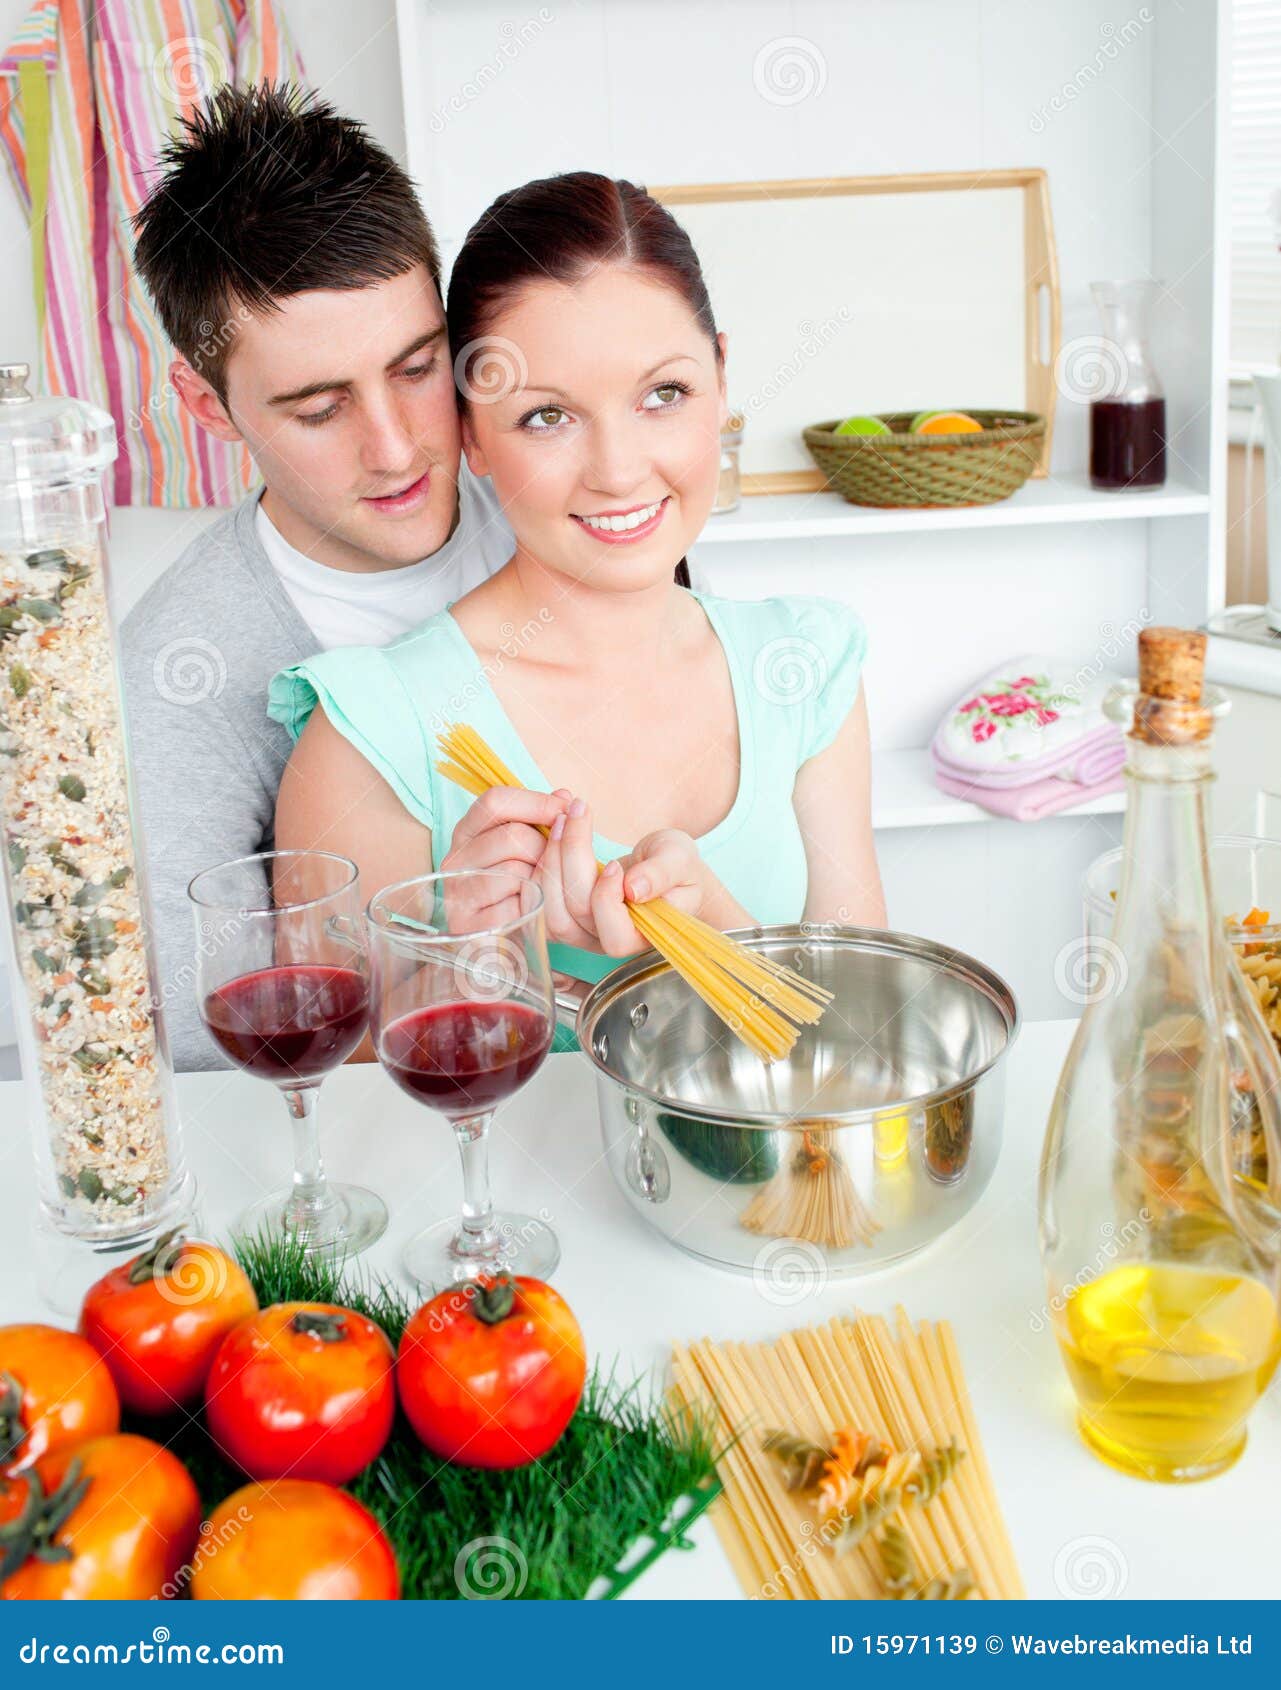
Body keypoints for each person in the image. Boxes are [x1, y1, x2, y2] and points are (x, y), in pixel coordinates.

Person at [270, 172, 886, 1042]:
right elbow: (330, 1112)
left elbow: (861, 1051)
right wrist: (479, 957)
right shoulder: (373, 732)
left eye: (662, 394)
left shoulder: (805, 667)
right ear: (470, 437)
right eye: (547, 416)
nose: (619, 470)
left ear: (721, 376)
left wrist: (717, 930)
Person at [120, 84, 514, 1070]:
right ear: (207, 405)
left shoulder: (565, 519)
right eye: (317, 407)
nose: (395, 449)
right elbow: (213, 1055)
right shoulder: (180, 676)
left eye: (417, 367)